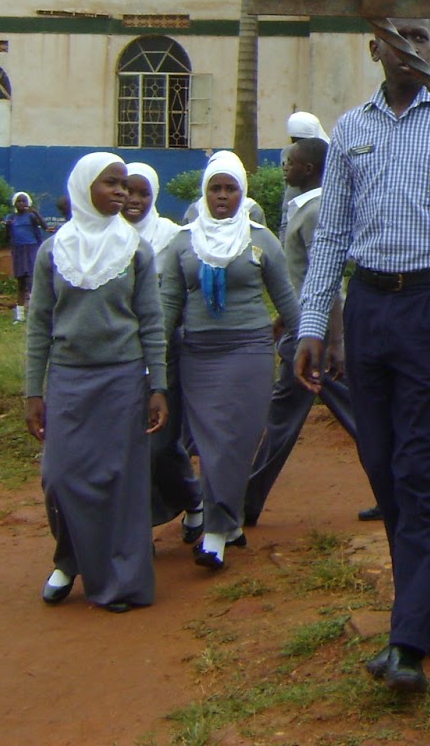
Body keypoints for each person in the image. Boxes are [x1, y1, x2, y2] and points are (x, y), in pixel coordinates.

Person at [293, 17, 430, 695]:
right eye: (395, 35)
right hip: (370, 309)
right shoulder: (351, 129)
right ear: (374, 48)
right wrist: (315, 323)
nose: (409, 45)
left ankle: (406, 644)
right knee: (382, 467)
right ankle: (427, 613)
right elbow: (331, 236)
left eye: (422, 35)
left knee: (422, 476)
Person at [24, 152, 168, 612]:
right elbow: (39, 325)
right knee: (58, 477)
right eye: (111, 183)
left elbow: (151, 322)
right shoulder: (52, 251)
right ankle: (69, 558)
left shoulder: (136, 251)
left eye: (125, 184)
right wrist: (33, 391)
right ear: (85, 187)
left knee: (119, 483)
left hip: (123, 379)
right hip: (68, 379)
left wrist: (158, 386)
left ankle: (121, 582)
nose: (122, 192)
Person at [158, 151, 300, 571]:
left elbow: (288, 303)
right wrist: (150, 359)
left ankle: (215, 533)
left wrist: (311, 346)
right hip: (198, 355)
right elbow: (168, 306)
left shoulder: (261, 240)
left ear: (243, 191)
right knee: (213, 442)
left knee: (233, 442)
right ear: (204, 192)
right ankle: (228, 524)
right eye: (215, 188)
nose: (222, 196)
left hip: (250, 352)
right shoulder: (183, 242)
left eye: (230, 188)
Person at [241, 136, 360, 528]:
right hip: (306, 329)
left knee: (283, 418)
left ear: (308, 169)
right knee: (356, 417)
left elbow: (328, 283)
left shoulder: (314, 212)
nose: (285, 168)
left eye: (290, 162)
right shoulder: (304, 209)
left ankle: (244, 503)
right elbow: (300, 279)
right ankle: (246, 501)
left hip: (315, 336)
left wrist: (334, 341)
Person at [121, 164, 203, 539]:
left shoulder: (171, 236)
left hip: (164, 352)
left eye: (142, 193)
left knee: (161, 443)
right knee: (127, 447)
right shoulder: (105, 235)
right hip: (118, 357)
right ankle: (137, 529)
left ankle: (192, 498)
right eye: (127, 191)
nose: (134, 201)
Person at [2, 191, 48, 322]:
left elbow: (44, 227)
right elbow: (7, 238)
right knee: (21, 282)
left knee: (31, 280)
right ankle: (20, 315)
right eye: (19, 201)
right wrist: (7, 227)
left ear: (28, 203)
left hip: (31, 248)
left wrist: (35, 212)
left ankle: (35, 313)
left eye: (24, 201)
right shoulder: (11, 217)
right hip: (18, 250)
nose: (21, 203)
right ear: (14, 204)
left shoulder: (31, 217)